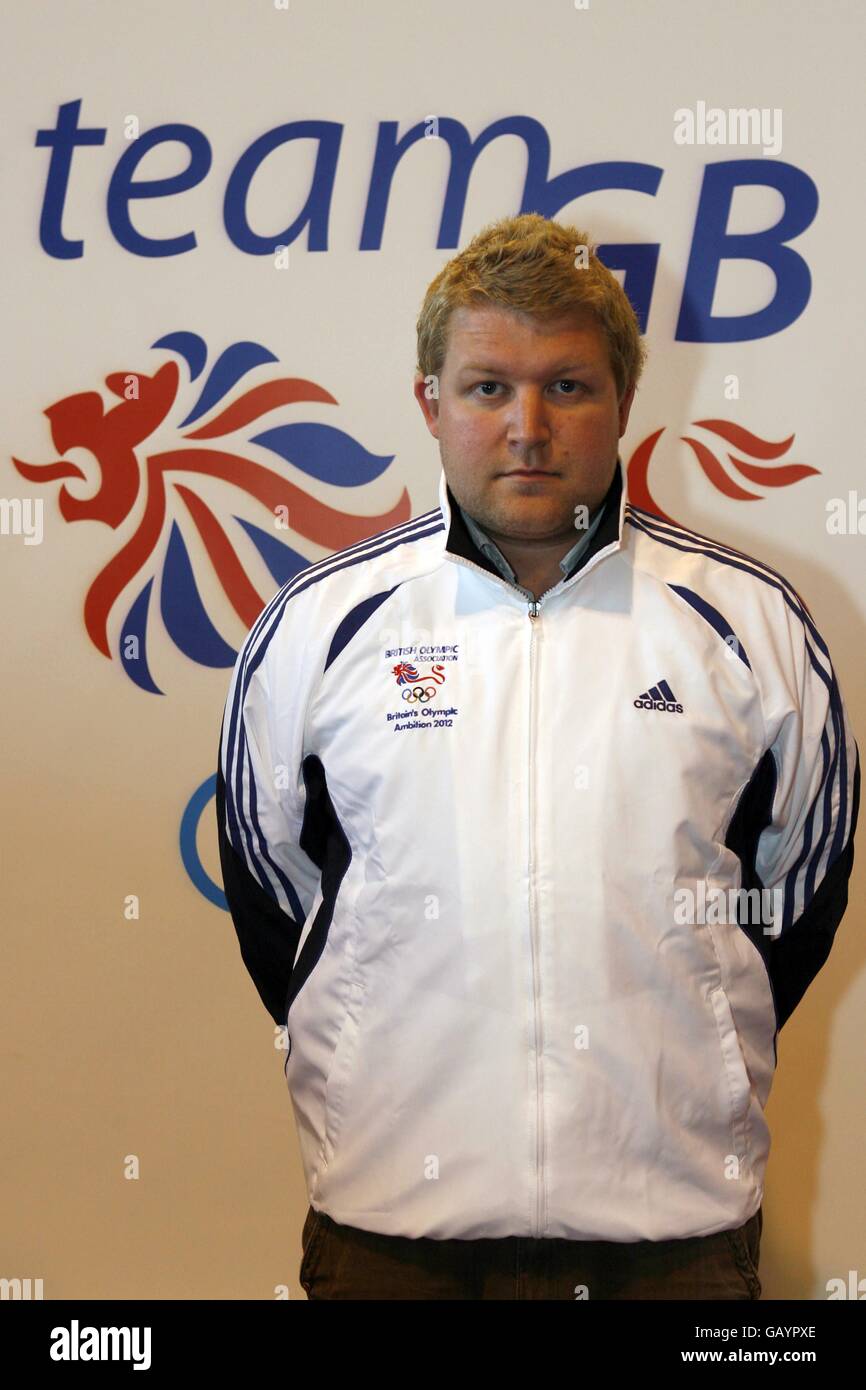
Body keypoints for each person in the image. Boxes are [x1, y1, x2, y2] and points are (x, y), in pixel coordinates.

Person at [215, 213, 859, 1300]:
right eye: (485, 388)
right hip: (390, 1224)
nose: (526, 427)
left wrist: (691, 1026)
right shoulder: (320, 627)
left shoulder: (748, 625)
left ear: (620, 401)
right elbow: (277, 899)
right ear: (429, 401)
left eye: (566, 387)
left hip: (674, 1232)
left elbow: (795, 896)